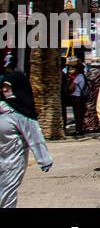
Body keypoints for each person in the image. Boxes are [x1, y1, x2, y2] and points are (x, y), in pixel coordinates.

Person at [1, 71, 53, 207]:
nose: (5, 90)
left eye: (8, 87)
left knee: (6, 195)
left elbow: (35, 137)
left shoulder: (22, 114)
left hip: (13, 162)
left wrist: (44, 160)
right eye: (3, 86)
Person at [65, 62, 88, 136]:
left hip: (76, 97)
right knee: (80, 114)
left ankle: (78, 130)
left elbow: (71, 87)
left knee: (77, 114)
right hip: (81, 97)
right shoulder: (83, 76)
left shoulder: (78, 77)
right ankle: (80, 129)